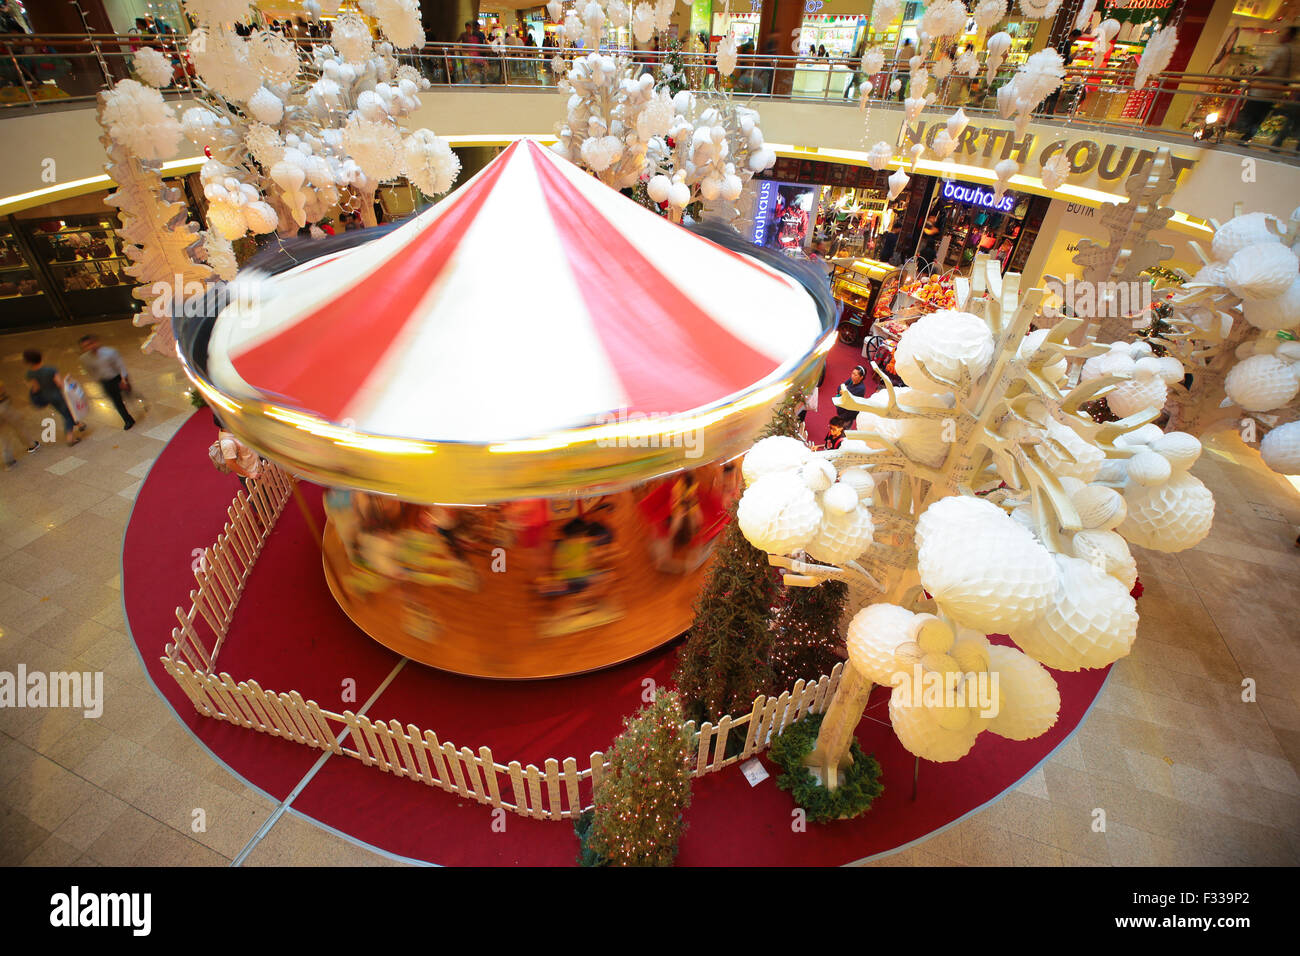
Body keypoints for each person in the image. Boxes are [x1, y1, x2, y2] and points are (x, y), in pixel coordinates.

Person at [1238, 27, 1300, 144]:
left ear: (1288, 36)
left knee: (1250, 113)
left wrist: (1252, 77)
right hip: (1278, 91)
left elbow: (1268, 69)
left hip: (1263, 90)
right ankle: (1250, 136)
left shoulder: (1280, 51)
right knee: (1262, 115)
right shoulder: (1297, 53)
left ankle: (1244, 135)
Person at [23, 349, 83, 445]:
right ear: (41, 357)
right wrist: (66, 379)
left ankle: (80, 425)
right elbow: (60, 384)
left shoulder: (29, 373)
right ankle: (70, 439)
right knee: (68, 415)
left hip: (47, 397)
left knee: (65, 412)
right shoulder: (50, 369)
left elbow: (35, 388)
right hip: (59, 395)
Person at [78, 334, 135, 429]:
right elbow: (89, 370)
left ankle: (136, 396)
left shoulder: (110, 352)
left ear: (96, 342)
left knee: (128, 393)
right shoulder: (84, 358)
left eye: (90, 344)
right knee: (116, 401)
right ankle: (127, 420)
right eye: (86, 346)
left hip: (118, 378)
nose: (89, 347)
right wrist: (97, 380)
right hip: (105, 381)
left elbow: (120, 366)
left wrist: (124, 380)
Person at [213, 413, 262, 489]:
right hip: (251, 472)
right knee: (262, 497)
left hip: (256, 464)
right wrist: (249, 474)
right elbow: (230, 463)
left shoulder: (230, 429)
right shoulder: (227, 443)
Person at [0, 379, 40, 467]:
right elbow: (2, 391)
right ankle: (31, 444)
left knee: (3, 435)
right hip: (3, 407)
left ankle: (8, 460)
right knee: (19, 426)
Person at [844, 34, 868, 100]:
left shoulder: (856, 51)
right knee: (854, 83)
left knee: (852, 83)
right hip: (854, 70)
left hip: (854, 69)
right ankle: (854, 96)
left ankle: (848, 95)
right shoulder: (860, 53)